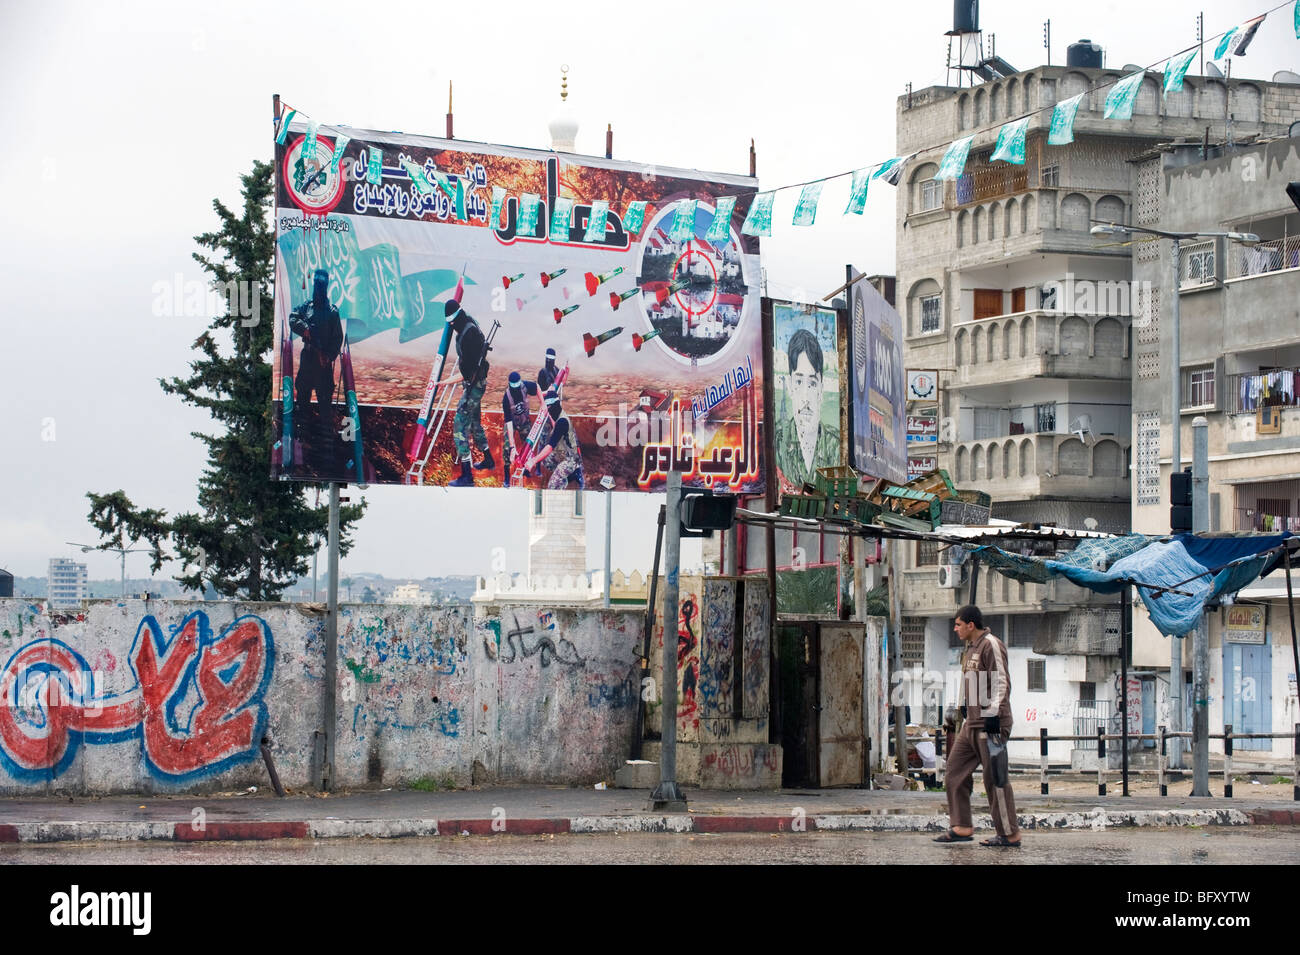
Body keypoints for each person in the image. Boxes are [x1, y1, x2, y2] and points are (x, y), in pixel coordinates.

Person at [934, 605, 1022, 847]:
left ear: (971, 625)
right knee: (954, 771)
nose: (955, 628)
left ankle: (1009, 833)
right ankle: (961, 827)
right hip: (971, 724)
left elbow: (1002, 680)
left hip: (991, 724)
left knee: (995, 779)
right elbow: (969, 680)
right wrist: (963, 704)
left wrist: (994, 712)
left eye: (958, 624)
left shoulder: (991, 644)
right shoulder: (971, 648)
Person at [772, 327, 840, 488]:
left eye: (812, 383)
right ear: (789, 386)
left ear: (821, 389)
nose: (805, 397)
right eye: (798, 381)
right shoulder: (776, 441)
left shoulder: (836, 445)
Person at [441, 297, 494, 487]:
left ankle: (466, 476)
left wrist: (445, 382)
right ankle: (488, 459)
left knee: (459, 426)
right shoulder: (469, 324)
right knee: (474, 423)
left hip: (474, 386)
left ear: (455, 319)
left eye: (451, 322)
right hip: (477, 382)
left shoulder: (468, 335)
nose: (451, 326)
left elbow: (466, 372)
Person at [289, 269, 344, 438]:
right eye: (317, 285)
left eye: (322, 285)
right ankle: (301, 437)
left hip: (323, 364)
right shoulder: (306, 307)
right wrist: (304, 329)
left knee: (325, 404)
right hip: (308, 359)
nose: (318, 289)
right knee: (303, 397)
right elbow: (293, 318)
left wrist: (327, 356)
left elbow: (337, 338)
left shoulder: (332, 312)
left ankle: (327, 443)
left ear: (326, 287)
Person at [524, 386, 584, 490]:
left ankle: (572, 472)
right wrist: (548, 393)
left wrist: (533, 461)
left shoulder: (562, 422)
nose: (548, 411)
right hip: (564, 452)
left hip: (572, 459)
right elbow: (554, 422)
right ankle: (568, 476)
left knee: (552, 485)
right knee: (546, 462)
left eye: (549, 408)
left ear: (552, 406)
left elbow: (550, 446)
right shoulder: (559, 415)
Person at [501, 371, 540, 487]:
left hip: (524, 421)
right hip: (511, 423)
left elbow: (536, 387)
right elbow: (508, 422)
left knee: (529, 444)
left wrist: (542, 403)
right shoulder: (506, 398)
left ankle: (527, 469)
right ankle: (507, 476)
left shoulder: (525, 385)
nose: (516, 389)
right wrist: (512, 446)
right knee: (507, 447)